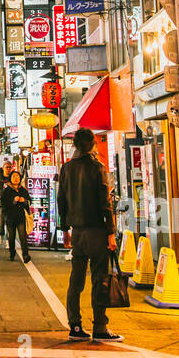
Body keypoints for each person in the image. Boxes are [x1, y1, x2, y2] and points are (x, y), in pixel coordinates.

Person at [59, 128, 120, 342]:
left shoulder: (66, 168)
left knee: (76, 280)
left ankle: (74, 326)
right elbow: (106, 203)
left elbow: (61, 201)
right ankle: (100, 327)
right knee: (99, 279)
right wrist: (111, 233)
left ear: (75, 145)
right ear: (93, 144)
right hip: (96, 231)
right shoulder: (97, 168)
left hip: (77, 233)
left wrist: (64, 230)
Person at [1, 170, 32, 263]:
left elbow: (29, 201)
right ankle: (12, 253)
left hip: (21, 217)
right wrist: (13, 200)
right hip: (10, 217)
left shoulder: (23, 190)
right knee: (11, 237)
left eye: (17, 176)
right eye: (14, 176)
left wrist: (24, 201)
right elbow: (3, 203)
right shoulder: (6, 190)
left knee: (23, 237)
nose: (16, 178)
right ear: (10, 178)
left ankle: (25, 255)